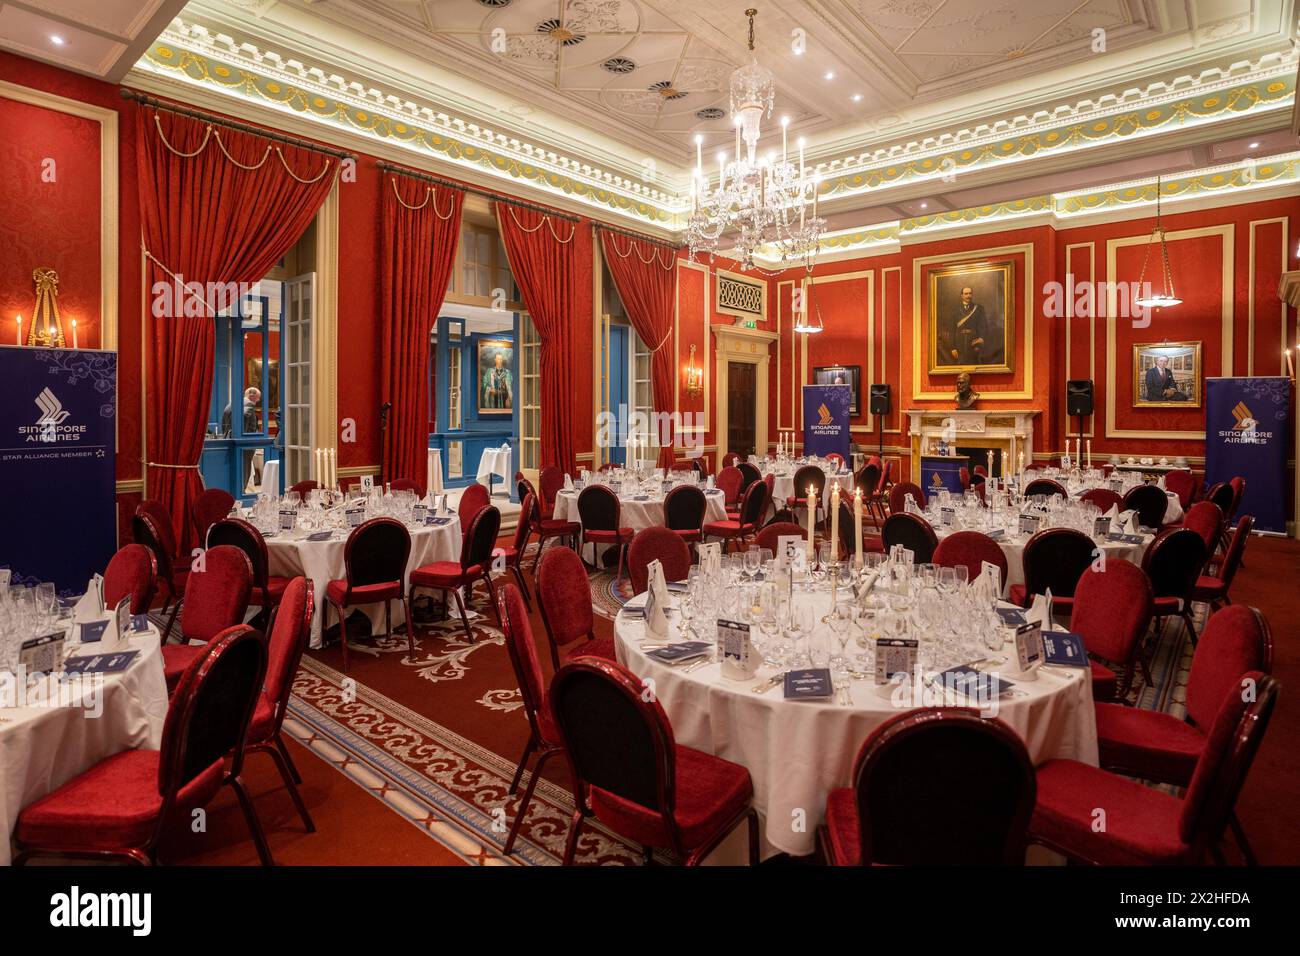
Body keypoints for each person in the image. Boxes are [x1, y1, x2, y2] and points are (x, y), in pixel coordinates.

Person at [939, 286, 1001, 366]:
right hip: (959, 341)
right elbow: (952, 329)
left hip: (973, 341)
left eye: (970, 293)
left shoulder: (979, 308)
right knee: (960, 364)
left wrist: (981, 338)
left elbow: (983, 325)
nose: (968, 296)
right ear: (962, 295)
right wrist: (953, 347)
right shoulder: (955, 310)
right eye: (966, 294)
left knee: (974, 363)